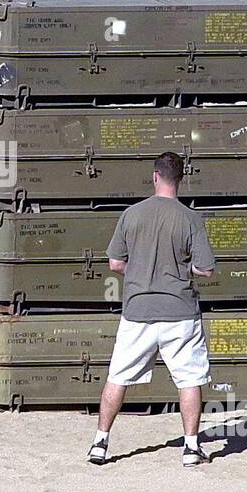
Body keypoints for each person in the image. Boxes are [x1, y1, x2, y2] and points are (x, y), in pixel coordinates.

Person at [87, 152, 216, 467]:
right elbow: (206, 269)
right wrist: (182, 270)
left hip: (138, 310)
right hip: (180, 311)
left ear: (155, 177)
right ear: (181, 180)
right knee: (189, 379)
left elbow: (115, 263)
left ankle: (100, 443)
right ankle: (190, 447)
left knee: (117, 377)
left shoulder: (131, 214)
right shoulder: (190, 218)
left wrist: (140, 270)